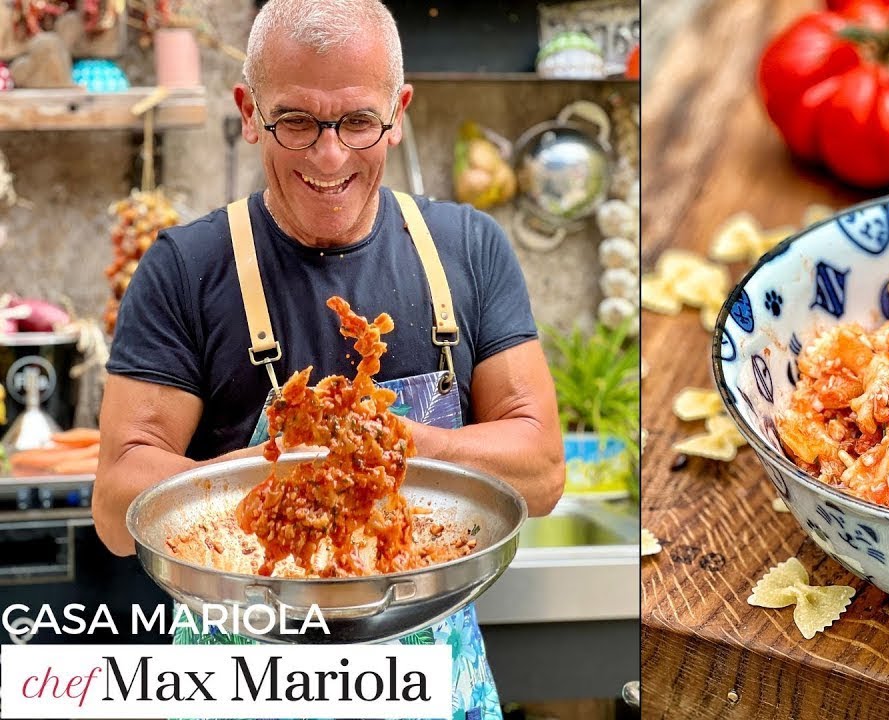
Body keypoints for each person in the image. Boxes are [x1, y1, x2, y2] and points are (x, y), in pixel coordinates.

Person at [91, 0, 565, 717]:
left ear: (397, 112)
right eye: (297, 121)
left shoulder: (469, 249)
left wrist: (381, 446)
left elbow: (541, 472)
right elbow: (115, 503)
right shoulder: (183, 269)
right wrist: (279, 470)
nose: (330, 155)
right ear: (249, 112)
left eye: (357, 121)